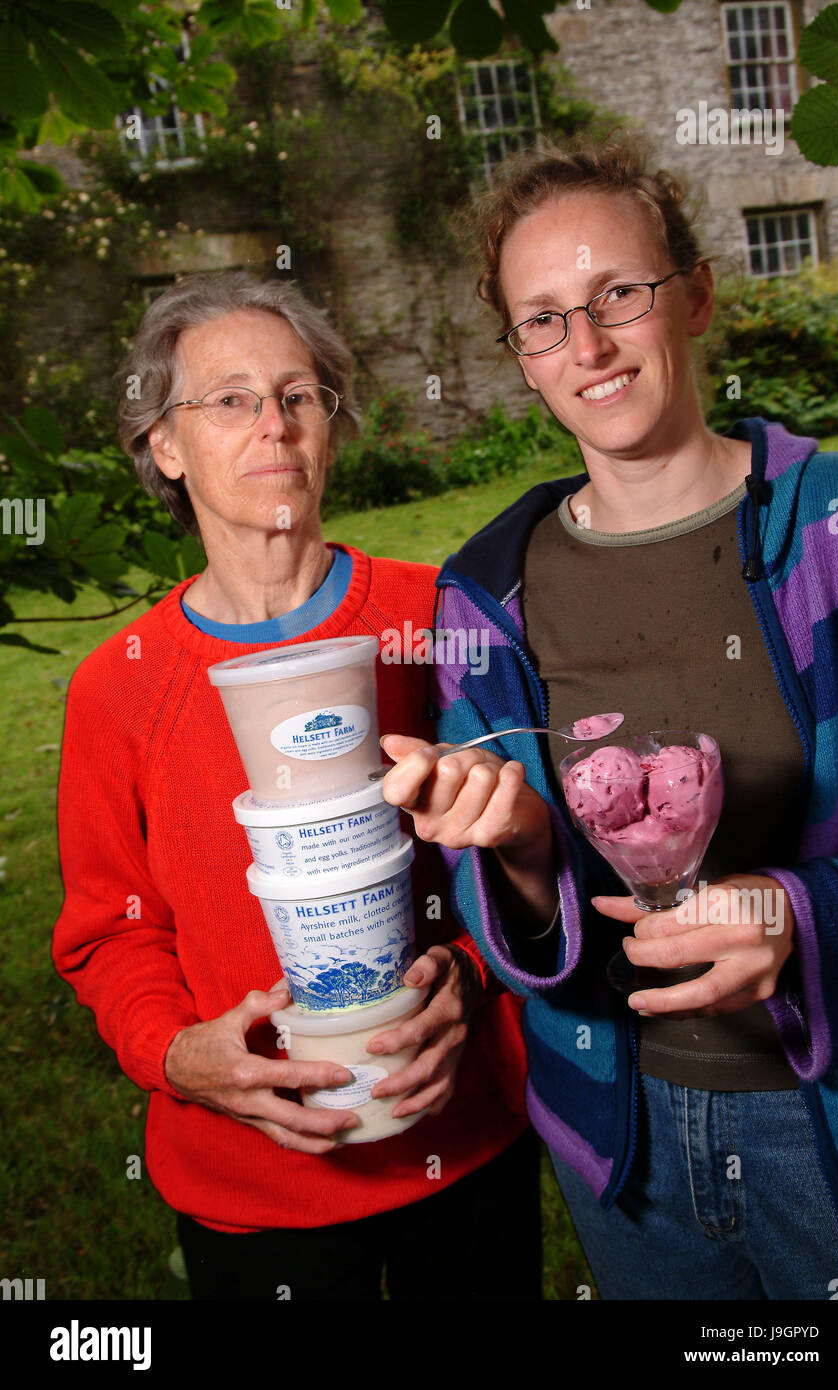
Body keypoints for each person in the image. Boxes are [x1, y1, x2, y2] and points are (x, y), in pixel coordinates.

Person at [381, 136, 838, 1300]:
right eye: (541, 319)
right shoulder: (481, 592)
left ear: (692, 296)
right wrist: (521, 844)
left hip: (834, 1127)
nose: (586, 347)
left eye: (618, 295)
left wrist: (806, 918)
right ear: (517, 355)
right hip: (620, 1139)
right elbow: (520, 919)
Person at [52, 270, 540, 1302]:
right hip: (252, 1187)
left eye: (299, 394)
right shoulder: (116, 689)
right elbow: (109, 930)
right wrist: (175, 1053)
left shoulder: (437, 618)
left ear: (328, 427)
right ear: (165, 446)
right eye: (227, 398)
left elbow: (529, 857)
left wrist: (468, 974)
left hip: (460, 1147)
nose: (271, 420)